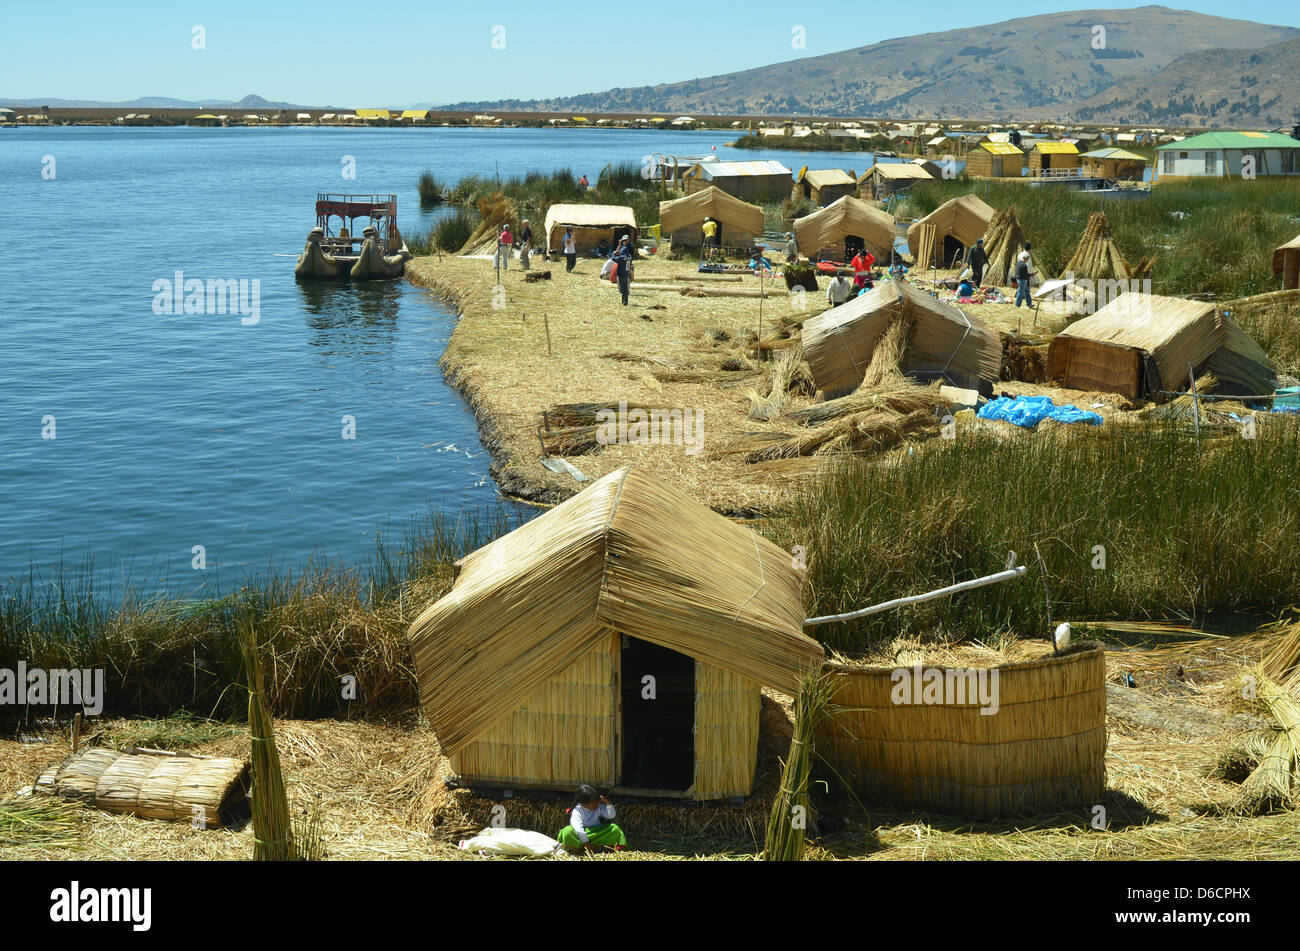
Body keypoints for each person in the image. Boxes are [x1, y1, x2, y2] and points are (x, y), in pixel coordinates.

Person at [557, 785, 625, 854]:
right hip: (581, 836)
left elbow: (611, 816)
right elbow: (579, 831)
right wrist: (588, 848)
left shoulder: (598, 806)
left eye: (598, 801)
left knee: (615, 828)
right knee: (567, 832)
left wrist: (608, 803)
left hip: (596, 833)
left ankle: (607, 850)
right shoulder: (577, 811)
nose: (597, 804)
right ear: (584, 804)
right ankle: (578, 852)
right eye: (595, 802)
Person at [612, 235, 635, 305]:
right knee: (625, 289)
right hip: (627, 274)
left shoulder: (620, 258)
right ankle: (625, 301)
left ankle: (624, 302)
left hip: (621, 274)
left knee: (622, 290)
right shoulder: (629, 257)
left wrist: (617, 249)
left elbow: (612, 257)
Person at [1014, 243, 1035, 308]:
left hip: (1020, 274)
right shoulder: (1028, 256)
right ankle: (1017, 304)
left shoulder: (1020, 255)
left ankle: (1029, 303)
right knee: (1022, 290)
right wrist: (1032, 273)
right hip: (1024, 276)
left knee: (1026, 290)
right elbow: (1029, 266)